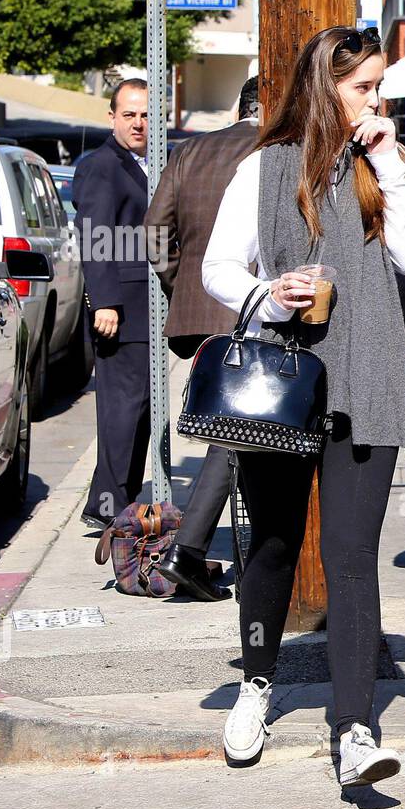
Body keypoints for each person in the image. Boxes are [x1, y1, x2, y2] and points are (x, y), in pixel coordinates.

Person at [202, 26, 405, 788]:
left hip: (364, 382)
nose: (377, 99)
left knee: (350, 558)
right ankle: (256, 684)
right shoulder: (265, 168)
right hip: (285, 385)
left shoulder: (383, 166)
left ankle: (356, 728)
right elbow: (216, 269)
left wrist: (390, 162)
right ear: (326, 87)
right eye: (364, 86)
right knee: (269, 545)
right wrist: (269, 293)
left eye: (380, 86)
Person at [144, 76, 263, 601]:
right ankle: (190, 549)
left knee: (234, 429)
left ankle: (196, 549)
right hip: (254, 308)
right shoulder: (275, 151)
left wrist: (180, 282)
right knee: (238, 430)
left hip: (196, 314)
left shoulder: (191, 150)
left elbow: (153, 231)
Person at [73, 78, 152, 531]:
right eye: (129, 114)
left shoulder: (147, 162)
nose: (138, 123)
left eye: (145, 114)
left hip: (146, 307)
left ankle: (113, 501)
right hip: (120, 309)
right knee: (124, 408)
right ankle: (109, 505)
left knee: (137, 408)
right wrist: (104, 302)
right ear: (112, 117)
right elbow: (95, 235)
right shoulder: (103, 166)